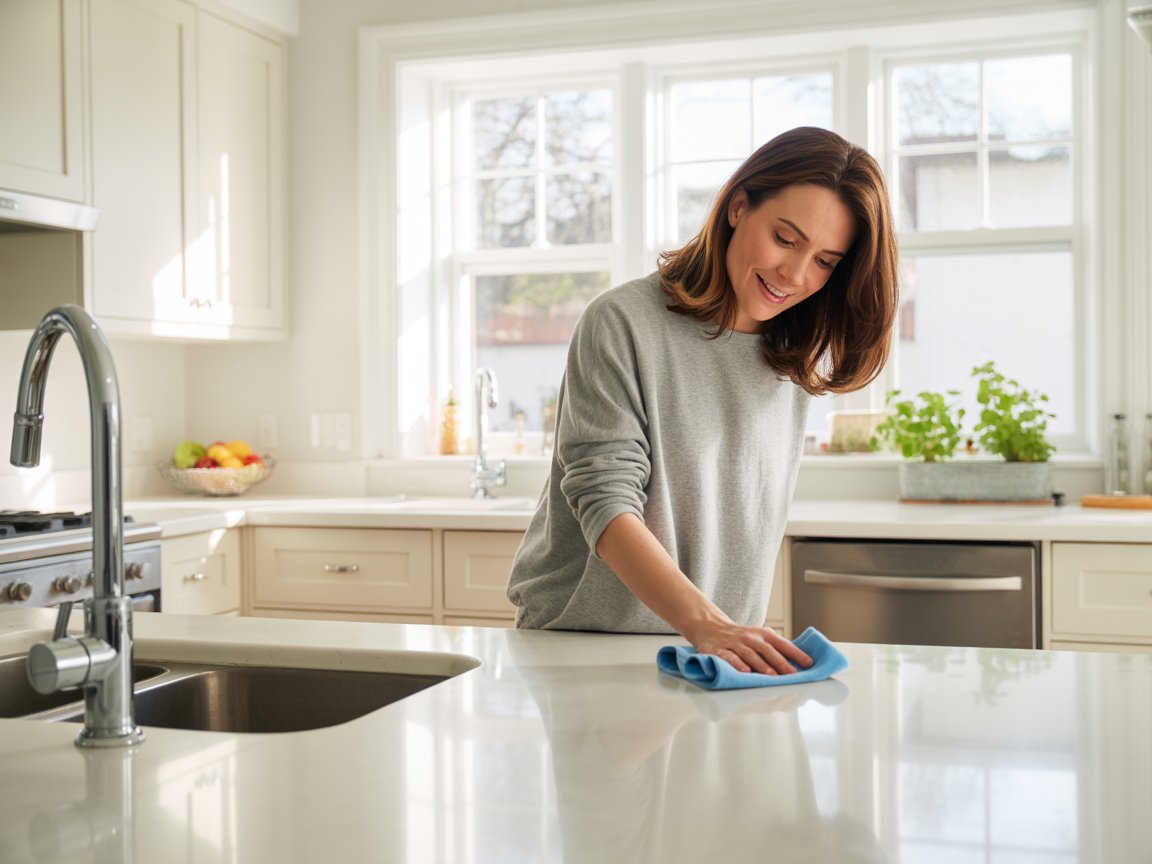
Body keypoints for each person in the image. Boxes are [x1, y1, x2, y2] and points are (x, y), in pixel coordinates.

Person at [506, 126, 899, 675]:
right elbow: (605, 501)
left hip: (714, 656)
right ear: (738, 206)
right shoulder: (621, 322)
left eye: (825, 261)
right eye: (785, 239)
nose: (796, 274)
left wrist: (719, 631)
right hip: (589, 643)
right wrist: (706, 624)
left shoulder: (791, 353)